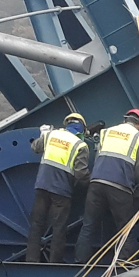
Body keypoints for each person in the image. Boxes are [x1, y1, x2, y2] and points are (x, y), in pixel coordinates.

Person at [75, 109, 139, 263]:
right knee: (125, 228)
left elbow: (99, 157)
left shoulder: (106, 132)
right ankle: (122, 263)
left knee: (88, 225)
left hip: (96, 183)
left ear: (125, 119)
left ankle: (80, 262)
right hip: (120, 187)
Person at [26, 112, 90, 263]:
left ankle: (31, 261)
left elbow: (35, 147)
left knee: (36, 225)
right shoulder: (81, 145)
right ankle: (54, 263)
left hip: (42, 186)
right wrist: (90, 185)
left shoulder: (51, 135)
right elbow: (80, 174)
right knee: (59, 229)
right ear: (81, 129)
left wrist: (43, 134)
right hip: (61, 193)